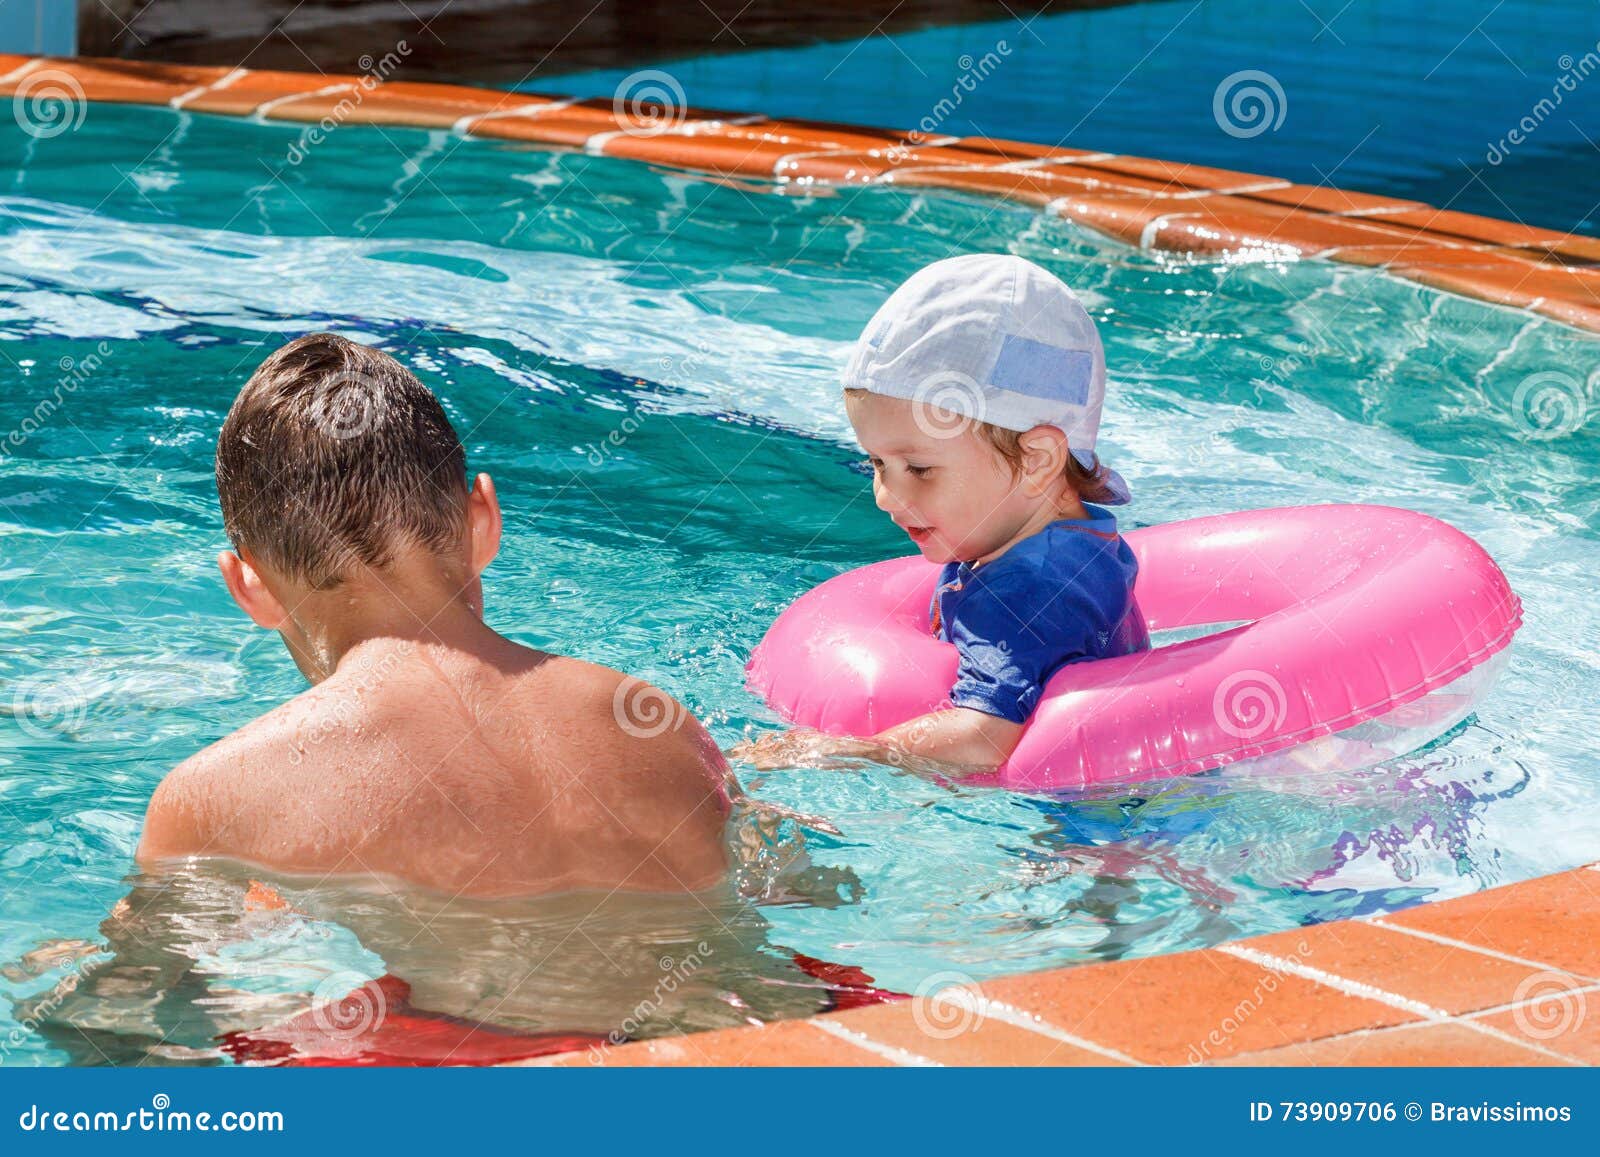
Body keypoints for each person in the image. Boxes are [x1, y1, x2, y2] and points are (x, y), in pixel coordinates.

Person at [136, 333, 730, 896]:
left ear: (248, 587)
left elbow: (143, 996)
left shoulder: (214, 803)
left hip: (453, 1007)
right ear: (485, 521)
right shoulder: (666, 731)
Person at [737, 254, 1150, 774]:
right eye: (877, 463)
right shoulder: (1070, 542)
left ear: (1038, 460)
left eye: (919, 468)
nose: (885, 496)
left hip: (1082, 829)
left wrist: (852, 752)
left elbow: (984, 737)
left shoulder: (1027, 588)